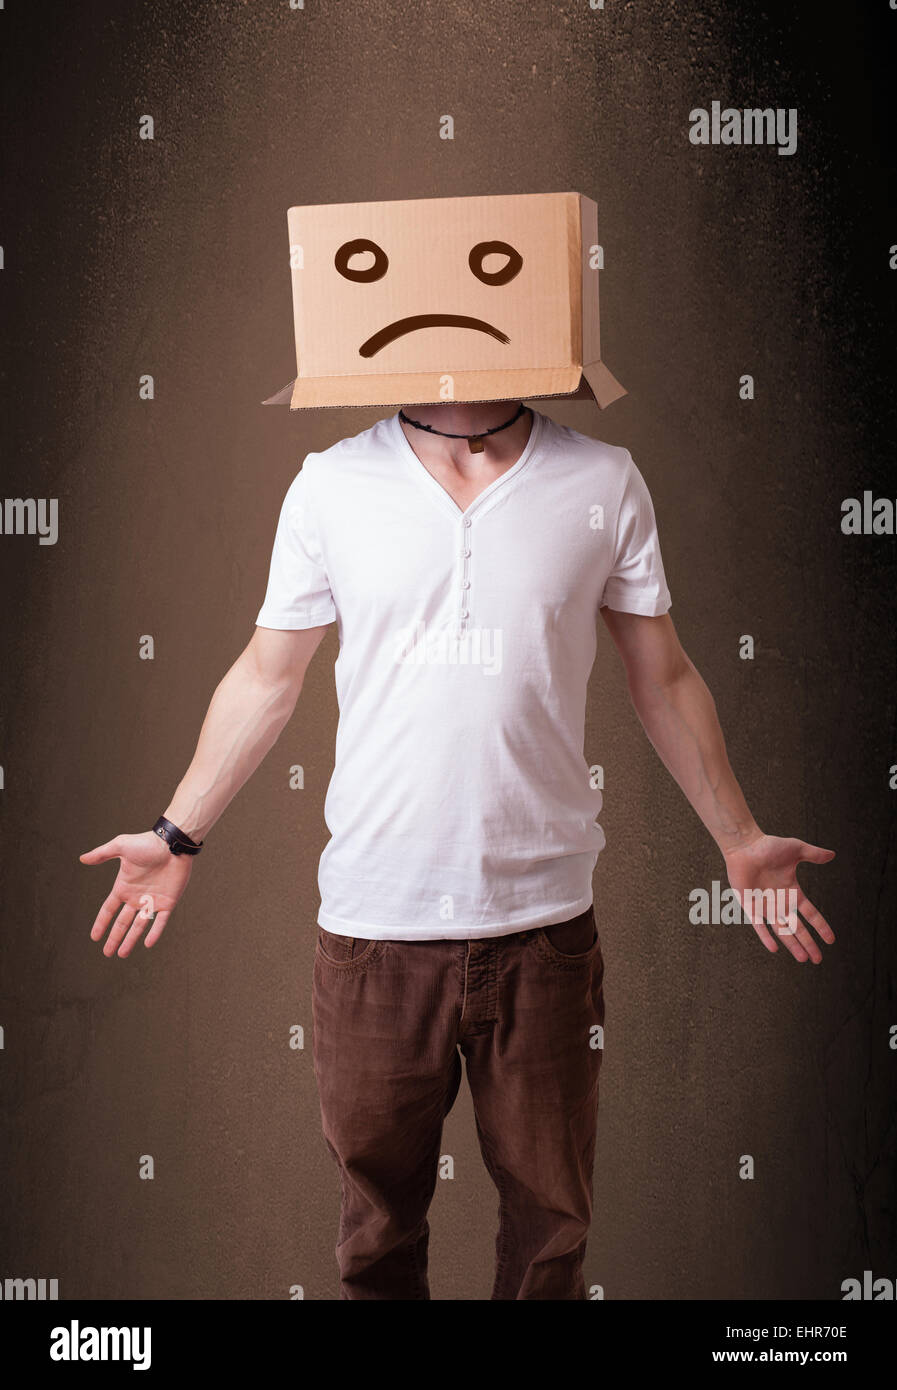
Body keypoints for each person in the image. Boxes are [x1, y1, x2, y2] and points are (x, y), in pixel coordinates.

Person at [80, 399, 835, 1300]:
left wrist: (739, 837)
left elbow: (661, 673)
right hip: (372, 937)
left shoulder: (600, 479)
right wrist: (176, 833)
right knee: (375, 1240)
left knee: (552, 1236)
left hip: (544, 938)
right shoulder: (332, 482)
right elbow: (266, 675)